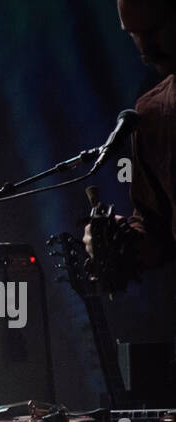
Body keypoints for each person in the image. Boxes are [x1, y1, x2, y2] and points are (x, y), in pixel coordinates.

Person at [85, 0, 176, 273]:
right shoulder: (151, 113)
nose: (145, 49)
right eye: (134, 34)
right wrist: (121, 240)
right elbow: (156, 226)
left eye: (153, 31)